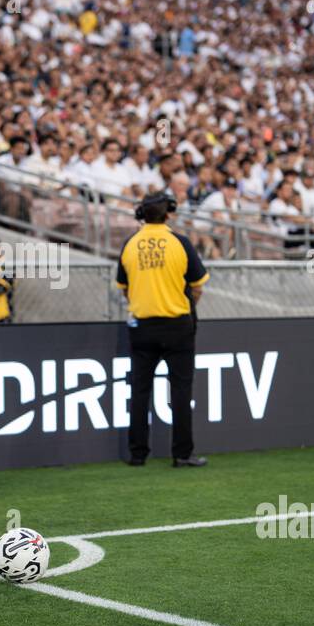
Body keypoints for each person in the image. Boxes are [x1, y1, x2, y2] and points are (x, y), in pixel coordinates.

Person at [116, 191, 209, 468]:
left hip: (142, 326)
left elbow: (124, 290)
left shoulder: (130, 244)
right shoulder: (179, 242)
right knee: (181, 391)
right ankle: (182, 453)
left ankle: (137, 454)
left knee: (140, 390)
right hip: (177, 325)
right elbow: (198, 285)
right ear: (169, 212)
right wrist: (184, 305)